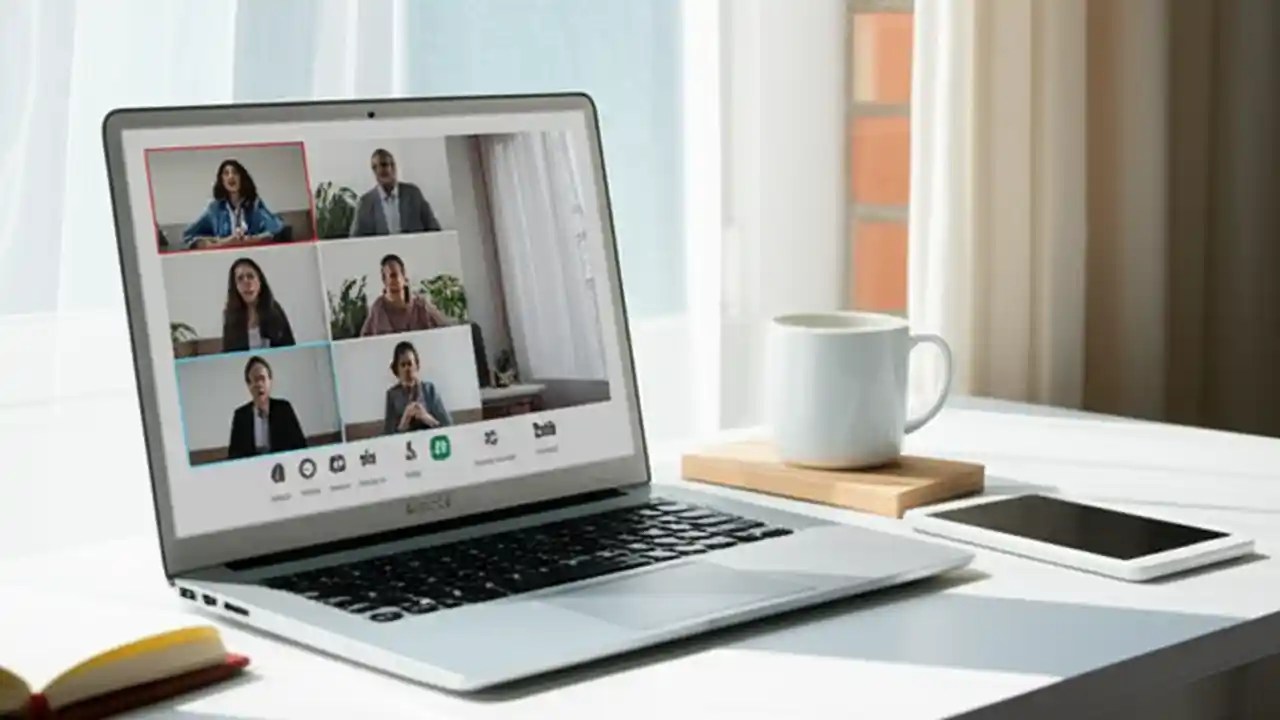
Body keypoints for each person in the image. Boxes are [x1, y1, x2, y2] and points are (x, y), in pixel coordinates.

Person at [183, 159, 285, 249]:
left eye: (235, 173)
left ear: (241, 178)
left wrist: (251, 240)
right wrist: (222, 242)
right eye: (226, 173)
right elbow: (188, 236)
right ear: (222, 180)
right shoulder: (215, 209)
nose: (231, 176)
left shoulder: (255, 204)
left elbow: (277, 229)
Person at [227, 356, 307, 459]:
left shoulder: (284, 409)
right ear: (248, 385)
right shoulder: (240, 416)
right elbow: (234, 456)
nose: (259, 384)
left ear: (270, 381)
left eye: (262, 379)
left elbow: (300, 446)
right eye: (255, 380)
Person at [349, 149, 442, 236]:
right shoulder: (365, 203)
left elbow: (434, 228)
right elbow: (355, 240)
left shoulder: (413, 194)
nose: (380, 170)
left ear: (393, 167)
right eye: (374, 167)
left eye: (384, 164)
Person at [359, 253, 452, 337]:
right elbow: (364, 342)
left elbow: (446, 331)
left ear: (404, 277)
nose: (391, 282)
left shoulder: (421, 306)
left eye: (394, 275)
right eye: (385, 277)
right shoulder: (377, 308)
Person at [221, 257, 296, 352]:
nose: (246, 283)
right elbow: (228, 354)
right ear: (235, 287)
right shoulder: (231, 316)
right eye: (240, 279)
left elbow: (289, 348)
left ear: (260, 281)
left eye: (250, 276)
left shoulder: (274, 310)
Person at [384, 341, 452, 434]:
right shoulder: (392, 395)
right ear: (397, 369)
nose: (407, 369)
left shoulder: (429, 390)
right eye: (403, 365)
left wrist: (426, 417)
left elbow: (448, 426)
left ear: (417, 365)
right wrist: (404, 422)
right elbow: (387, 435)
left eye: (410, 364)